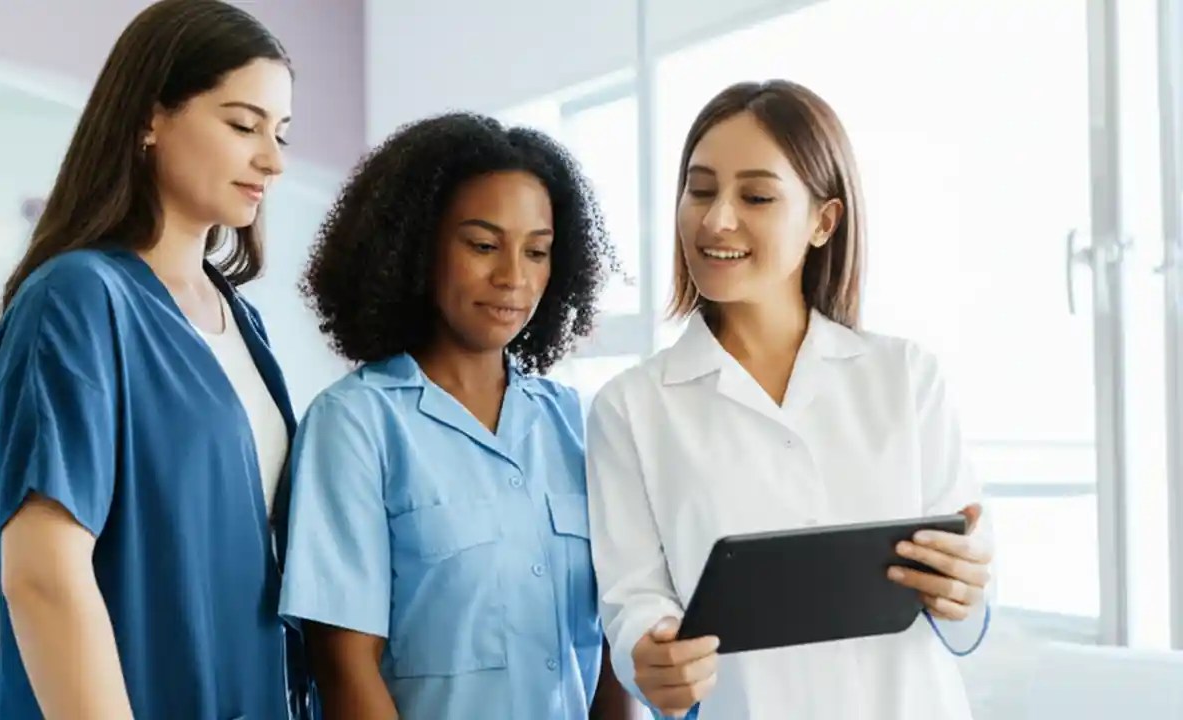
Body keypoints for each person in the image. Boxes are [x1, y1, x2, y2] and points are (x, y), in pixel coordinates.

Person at [584, 80, 994, 720]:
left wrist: (964, 591)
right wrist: (652, 656)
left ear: (822, 222)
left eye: (756, 196)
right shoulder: (629, 408)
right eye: (699, 189)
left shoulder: (906, 376)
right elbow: (635, 603)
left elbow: (963, 608)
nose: (716, 219)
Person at [0, 1, 312, 717]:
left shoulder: (241, 321)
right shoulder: (77, 298)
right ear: (150, 118)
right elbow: (42, 576)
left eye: (280, 134)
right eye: (243, 125)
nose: (273, 160)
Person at [279, 112, 635, 719]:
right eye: (483, 245)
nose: (513, 278)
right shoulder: (356, 425)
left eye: (538, 251)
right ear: (418, 248)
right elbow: (344, 668)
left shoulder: (576, 424)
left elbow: (614, 646)